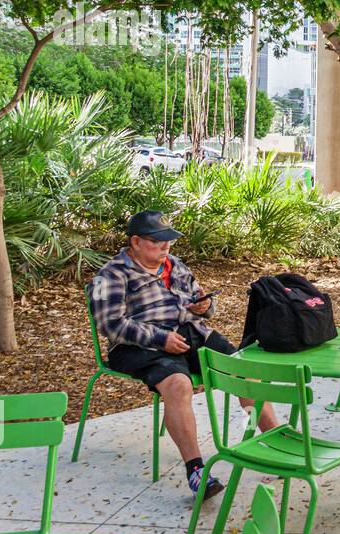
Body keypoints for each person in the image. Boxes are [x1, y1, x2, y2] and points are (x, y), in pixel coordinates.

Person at [89, 211, 279, 499]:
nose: (166, 247)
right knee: (179, 385)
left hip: (192, 334)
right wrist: (159, 338)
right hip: (139, 345)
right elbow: (110, 324)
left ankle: (278, 442)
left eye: (169, 241)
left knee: (244, 369)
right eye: (158, 241)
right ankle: (196, 471)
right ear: (136, 242)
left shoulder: (174, 265)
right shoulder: (111, 275)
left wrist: (205, 308)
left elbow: (200, 301)